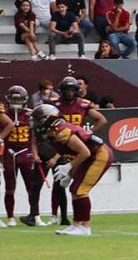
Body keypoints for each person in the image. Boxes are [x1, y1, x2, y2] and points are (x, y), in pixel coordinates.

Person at [30, 104, 112, 237]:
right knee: (74, 189)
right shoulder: (54, 132)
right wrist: (69, 174)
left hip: (99, 155)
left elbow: (84, 152)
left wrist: (68, 167)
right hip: (89, 156)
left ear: (48, 119)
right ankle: (77, 225)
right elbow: (74, 154)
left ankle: (85, 227)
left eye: (38, 120)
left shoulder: (61, 131)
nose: (35, 123)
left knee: (81, 189)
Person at [1, 85, 44, 226]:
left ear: (24, 100)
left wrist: (34, 152)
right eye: (13, 99)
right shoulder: (4, 114)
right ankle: (11, 217)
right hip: (10, 152)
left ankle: (35, 216)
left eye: (19, 99)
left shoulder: (30, 114)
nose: (16, 102)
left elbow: (34, 137)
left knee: (31, 187)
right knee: (10, 187)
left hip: (26, 151)